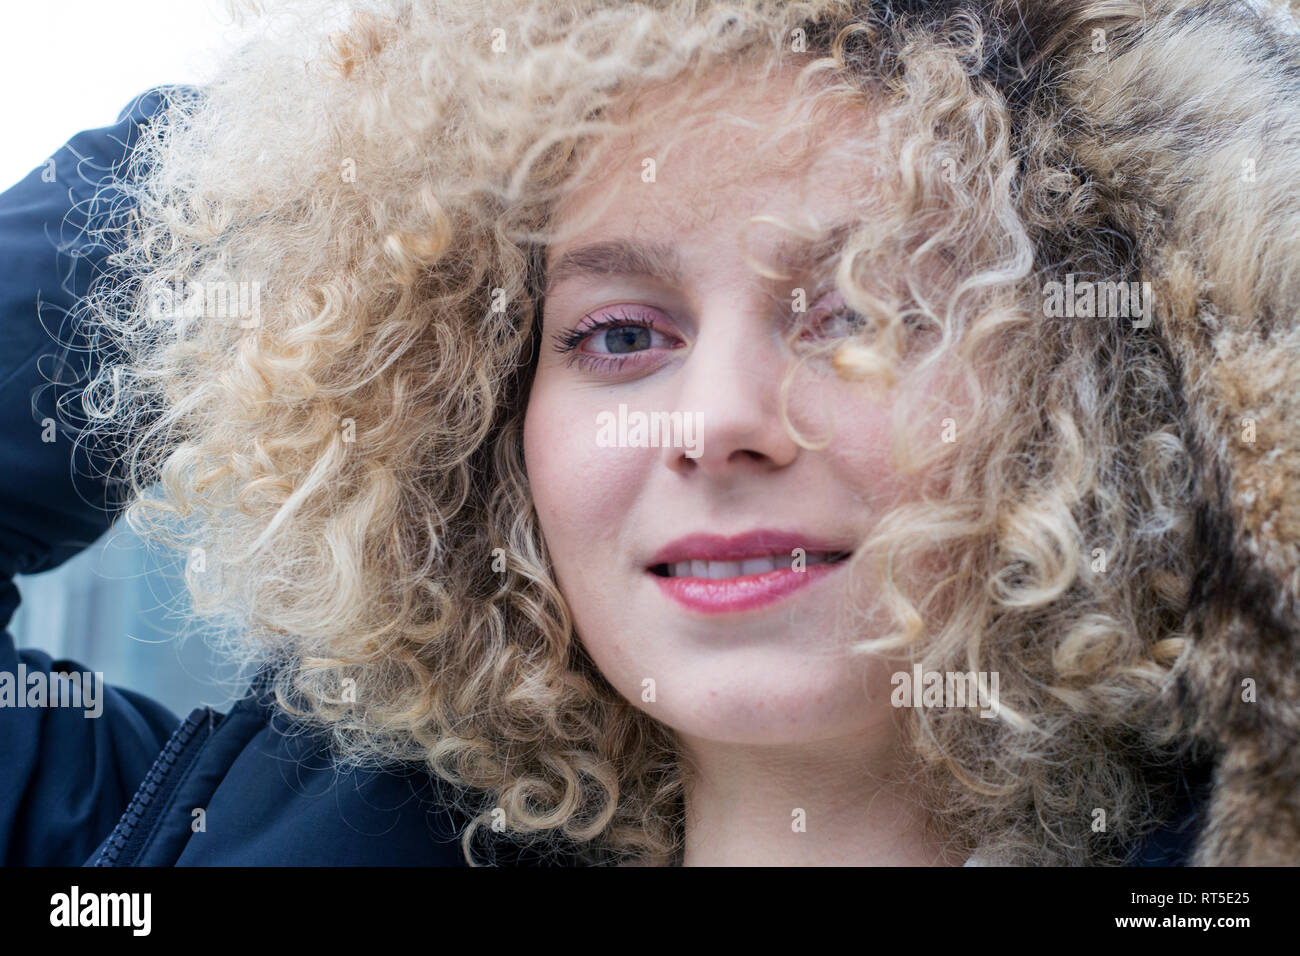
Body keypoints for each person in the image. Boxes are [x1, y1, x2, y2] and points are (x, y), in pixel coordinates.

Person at [2, 0, 1298, 867]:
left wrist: (1152, 147)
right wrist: (320, 149)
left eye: (863, 312)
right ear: (479, 431)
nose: (721, 419)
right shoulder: (196, 839)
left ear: (1098, 382)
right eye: (621, 335)